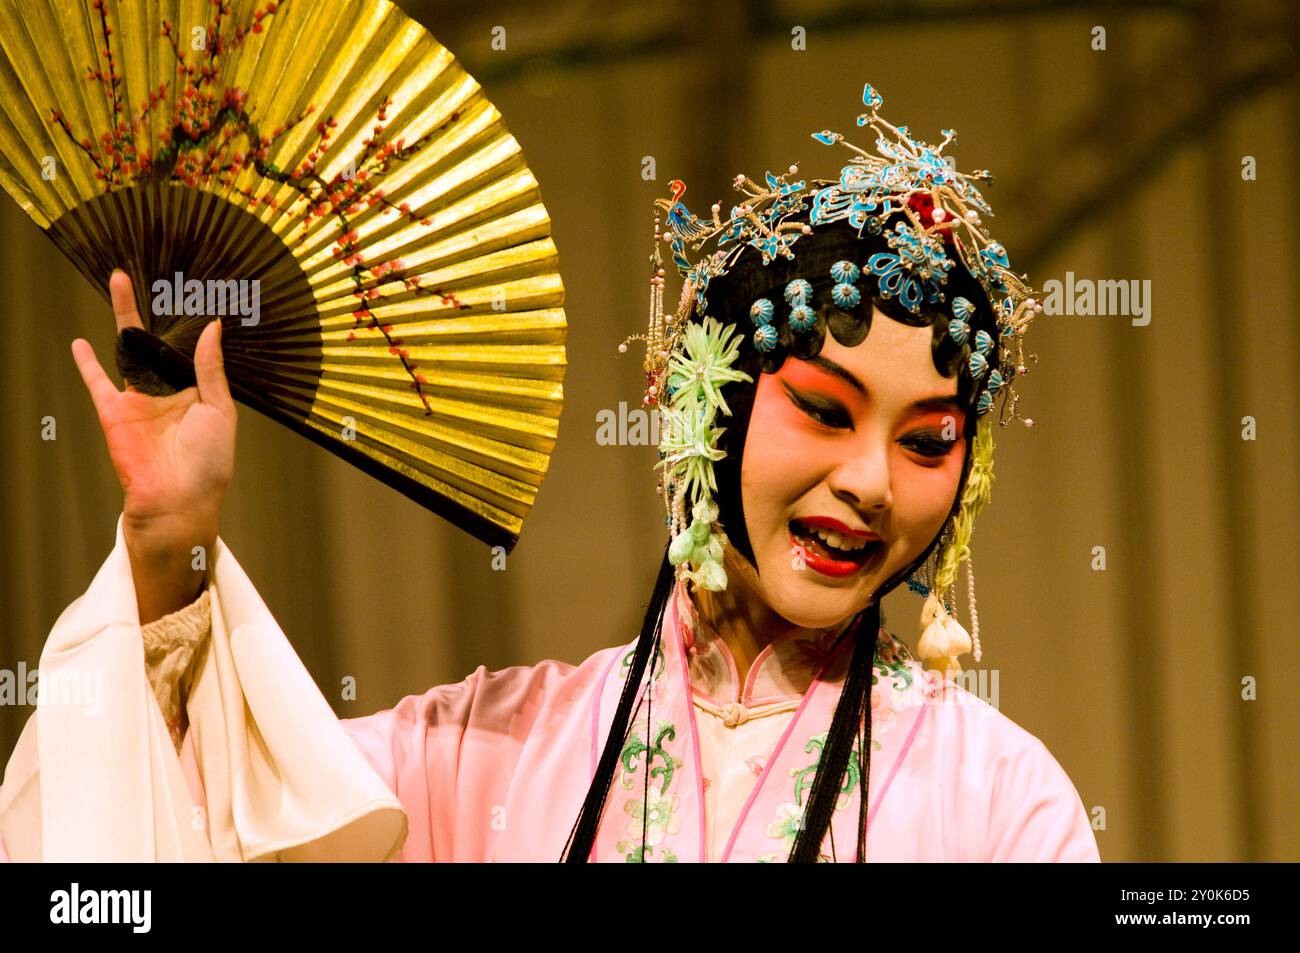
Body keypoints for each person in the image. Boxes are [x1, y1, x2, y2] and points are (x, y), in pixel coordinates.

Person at [0, 83, 1099, 862]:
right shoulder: (483, 756)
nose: (870, 481)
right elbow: (195, 820)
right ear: (704, 413)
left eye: (925, 441)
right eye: (820, 409)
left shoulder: (997, 801)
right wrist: (170, 540)